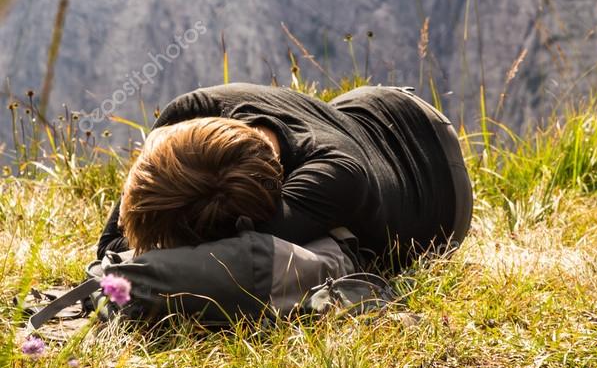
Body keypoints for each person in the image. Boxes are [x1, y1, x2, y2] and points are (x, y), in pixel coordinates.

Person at [97, 82, 473, 271]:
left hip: (436, 172)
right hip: (353, 110)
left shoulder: (337, 174)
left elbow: (226, 258)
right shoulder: (193, 110)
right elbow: (110, 247)